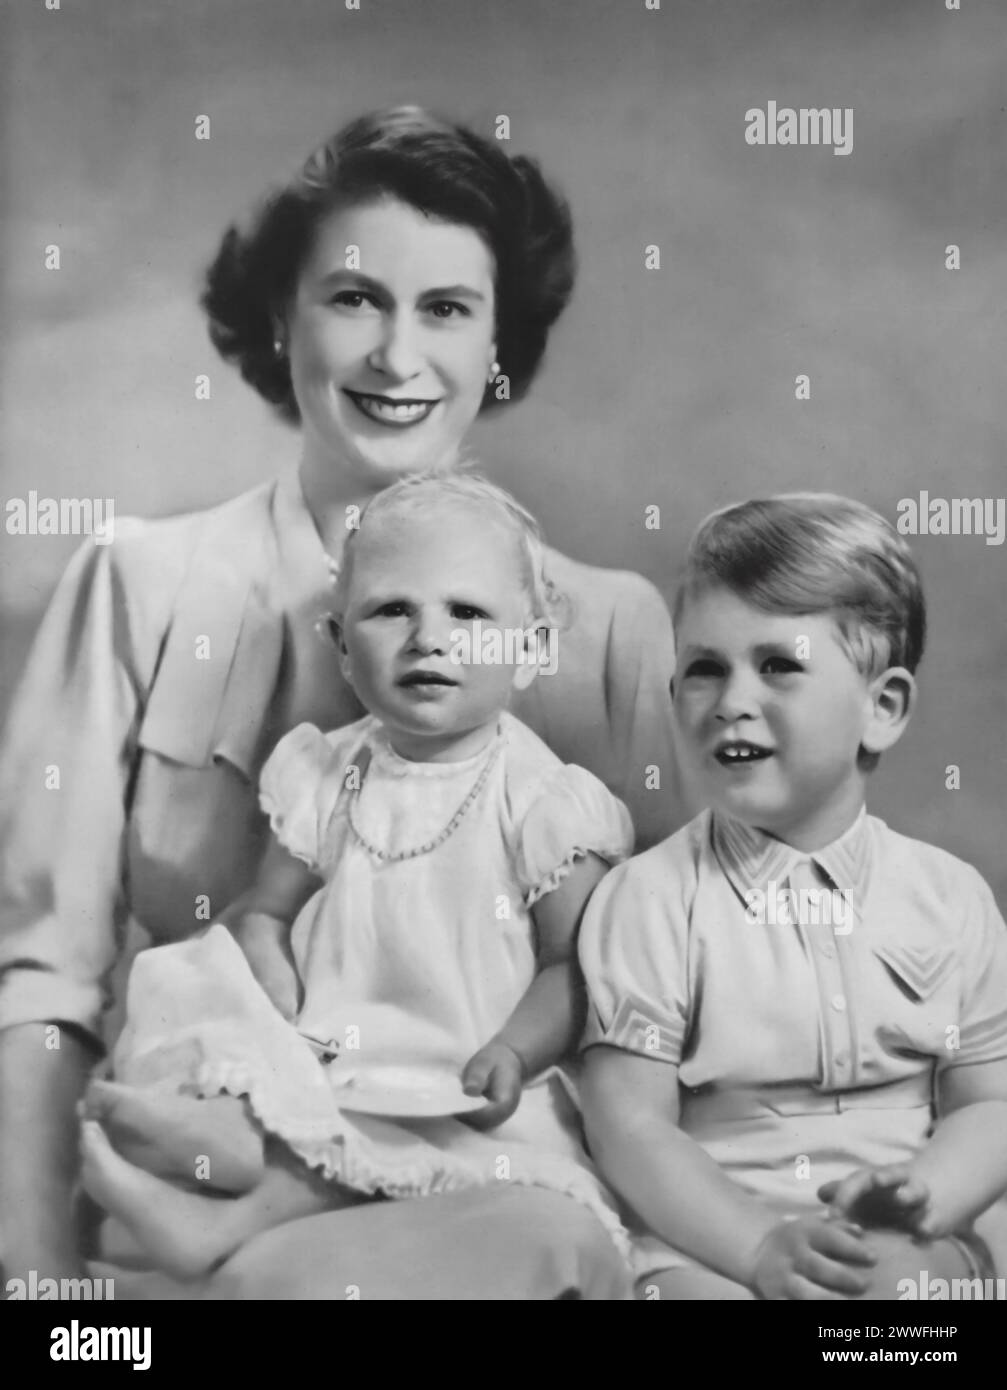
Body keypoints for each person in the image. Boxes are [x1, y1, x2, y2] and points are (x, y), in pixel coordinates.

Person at [0, 105, 681, 1298]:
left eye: (446, 309)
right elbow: (38, 982)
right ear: (280, 317)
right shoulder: (136, 585)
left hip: (477, 1183)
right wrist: (41, 1290)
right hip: (188, 1177)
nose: (394, 356)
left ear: (497, 346)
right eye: (354, 298)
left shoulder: (608, 628)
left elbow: (662, 1004)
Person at [80, 473, 634, 1279]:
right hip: (335, 1055)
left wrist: (513, 1051)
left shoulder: (547, 800)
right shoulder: (324, 771)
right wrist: (268, 978)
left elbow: (570, 966)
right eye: (390, 610)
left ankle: (219, 1216)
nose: (428, 638)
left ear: (533, 649)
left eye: (468, 613)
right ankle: (222, 1134)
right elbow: (266, 911)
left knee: (390, 1156)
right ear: (341, 644)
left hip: (465, 1083)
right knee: (189, 966)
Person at [579, 494, 1007, 1299]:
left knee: (907, 1306)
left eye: (777, 665)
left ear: (880, 710)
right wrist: (756, 1249)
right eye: (704, 668)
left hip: (898, 1236)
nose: (731, 699)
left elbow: (990, 1105)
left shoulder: (947, 898)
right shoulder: (649, 898)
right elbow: (627, 1125)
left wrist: (926, 1198)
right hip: (710, 1241)